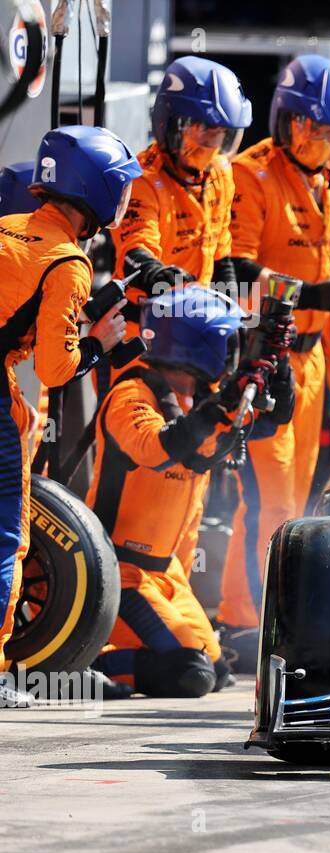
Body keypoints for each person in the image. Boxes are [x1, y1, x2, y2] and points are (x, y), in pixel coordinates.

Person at [215, 54, 330, 647]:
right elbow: (234, 271)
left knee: (302, 494)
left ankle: (274, 611)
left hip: (314, 358)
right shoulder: (249, 174)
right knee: (270, 493)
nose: (317, 140)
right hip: (262, 349)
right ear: (283, 120)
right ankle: (248, 619)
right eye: (306, 126)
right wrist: (316, 293)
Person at [89, 288, 293, 696]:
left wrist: (278, 362)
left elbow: (274, 420)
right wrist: (221, 405)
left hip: (167, 575)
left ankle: (116, 655)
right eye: (229, 342)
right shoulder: (131, 394)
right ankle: (82, 662)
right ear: (200, 343)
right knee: (190, 674)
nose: (232, 353)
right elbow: (158, 448)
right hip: (119, 575)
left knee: (217, 673)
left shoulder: (194, 400)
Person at [0, 126, 141, 705]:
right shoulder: (68, 260)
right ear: (99, 192)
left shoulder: (6, 226)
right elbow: (57, 371)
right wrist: (101, 344)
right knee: (6, 536)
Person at [112, 56, 251, 312]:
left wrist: (233, 313)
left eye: (220, 132)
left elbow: (220, 256)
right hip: (140, 326)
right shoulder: (142, 179)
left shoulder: (220, 172)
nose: (211, 143)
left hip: (196, 322)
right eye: (201, 129)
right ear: (171, 123)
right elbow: (134, 251)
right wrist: (158, 275)